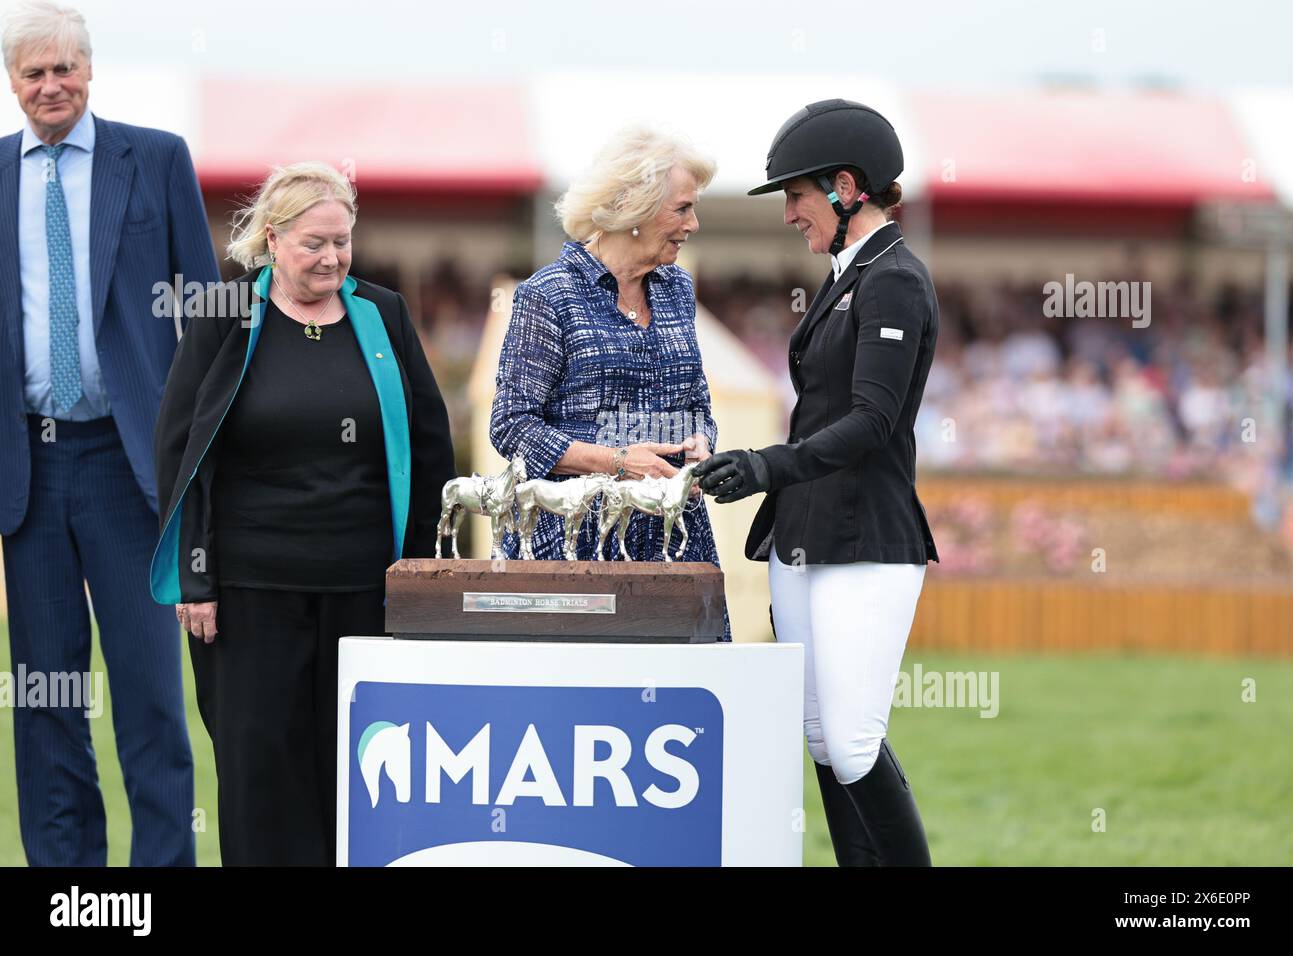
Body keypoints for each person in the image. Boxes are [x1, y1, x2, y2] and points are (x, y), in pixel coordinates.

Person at [150, 162, 456, 865]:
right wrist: (196, 574)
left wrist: (425, 574)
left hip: (364, 586)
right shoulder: (223, 313)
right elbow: (182, 450)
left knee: (356, 763)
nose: (332, 258)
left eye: (342, 242)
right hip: (251, 590)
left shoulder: (383, 313)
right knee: (261, 770)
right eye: (314, 243)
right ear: (273, 239)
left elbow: (430, 444)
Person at [0, 0, 218, 866]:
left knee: (151, 700)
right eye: (33, 72)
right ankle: (69, 893)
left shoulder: (156, 159)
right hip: (29, 470)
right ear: (13, 83)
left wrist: (200, 469)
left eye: (65, 68)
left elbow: (205, 319)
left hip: (132, 471)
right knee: (46, 702)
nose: (51, 85)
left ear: (90, 71)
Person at [696, 100, 941, 864]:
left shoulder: (894, 280)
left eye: (796, 196)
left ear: (845, 187)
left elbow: (872, 423)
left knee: (855, 742)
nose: (788, 216)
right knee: (823, 743)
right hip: (806, 534)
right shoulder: (849, 276)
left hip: (865, 537)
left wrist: (766, 465)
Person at [489, 127, 731, 639]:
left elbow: (697, 401)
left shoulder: (677, 289)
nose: (694, 223)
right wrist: (619, 463)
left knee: (688, 694)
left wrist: (701, 440)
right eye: (683, 208)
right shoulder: (547, 295)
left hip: (672, 533)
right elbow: (511, 427)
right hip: (577, 536)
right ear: (633, 207)